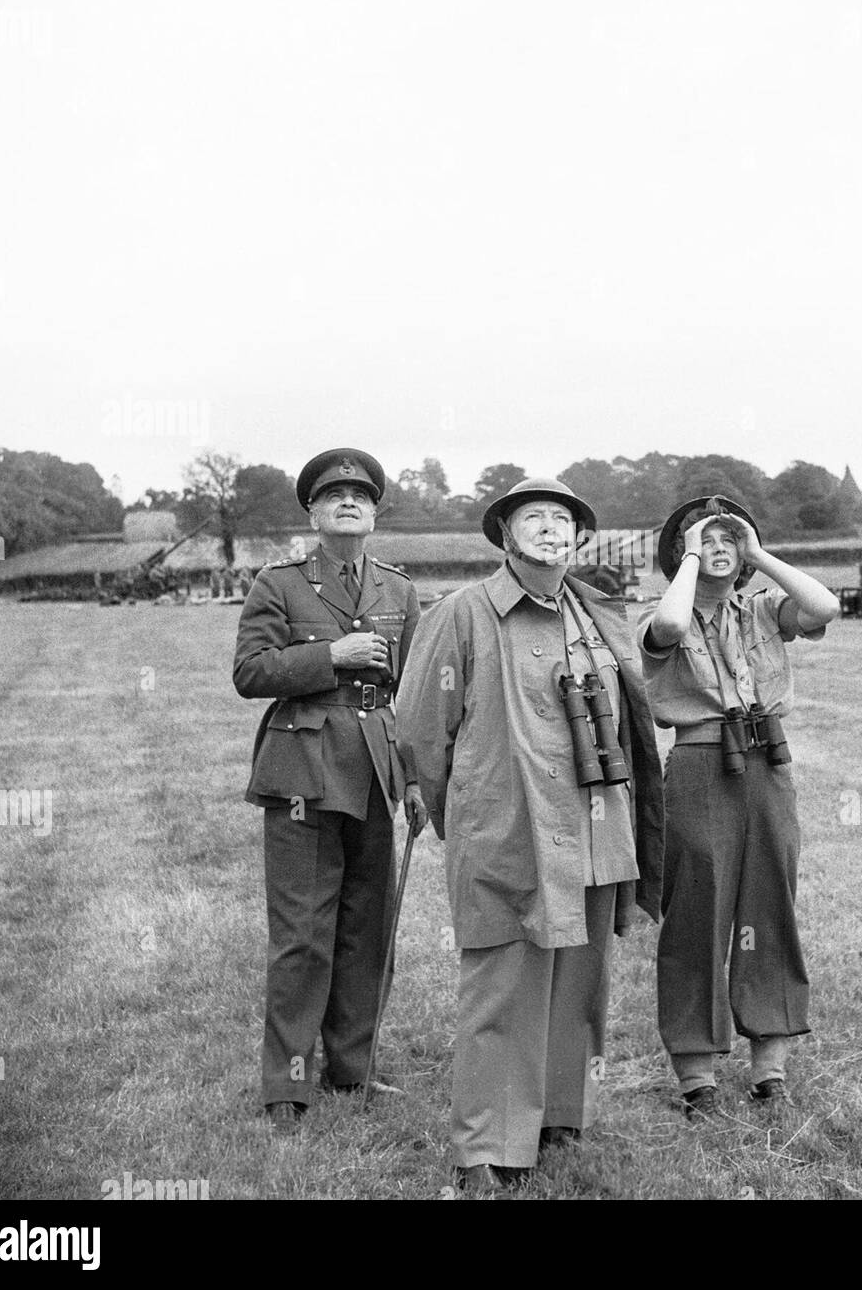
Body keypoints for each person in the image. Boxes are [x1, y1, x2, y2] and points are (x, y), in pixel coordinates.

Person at [397, 477, 664, 1194]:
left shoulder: (597, 614)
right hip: (507, 829)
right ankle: (486, 1144)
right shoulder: (461, 614)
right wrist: (472, 818)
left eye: (562, 518)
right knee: (503, 981)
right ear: (504, 534)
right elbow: (422, 731)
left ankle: (559, 1115)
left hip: (595, 828)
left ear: (577, 537)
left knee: (578, 976)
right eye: (533, 518)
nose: (550, 528)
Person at [233, 448, 427, 1134]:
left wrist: (417, 776)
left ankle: (353, 1067)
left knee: (369, 927)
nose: (348, 502)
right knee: (303, 933)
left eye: (360, 496)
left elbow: (416, 690)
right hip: (303, 771)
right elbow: (251, 672)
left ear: (374, 513)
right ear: (313, 512)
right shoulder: (278, 583)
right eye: (333, 494)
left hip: (376, 768)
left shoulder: (399, 589)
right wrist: (330, 657)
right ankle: (287, 1081)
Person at [640, 496, 839, 1118]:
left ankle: (769, 1064)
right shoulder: (663, 613)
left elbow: (825, 605)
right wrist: (694, 556)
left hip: (767, 767)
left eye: (731, 537)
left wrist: (757, 552)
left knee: (769, 903)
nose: (719, 545)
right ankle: (695, 1067)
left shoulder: (760, 611)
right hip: (700, 765)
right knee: (697, 907)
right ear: (680, 554)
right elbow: (671, 630)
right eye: (704, 538)